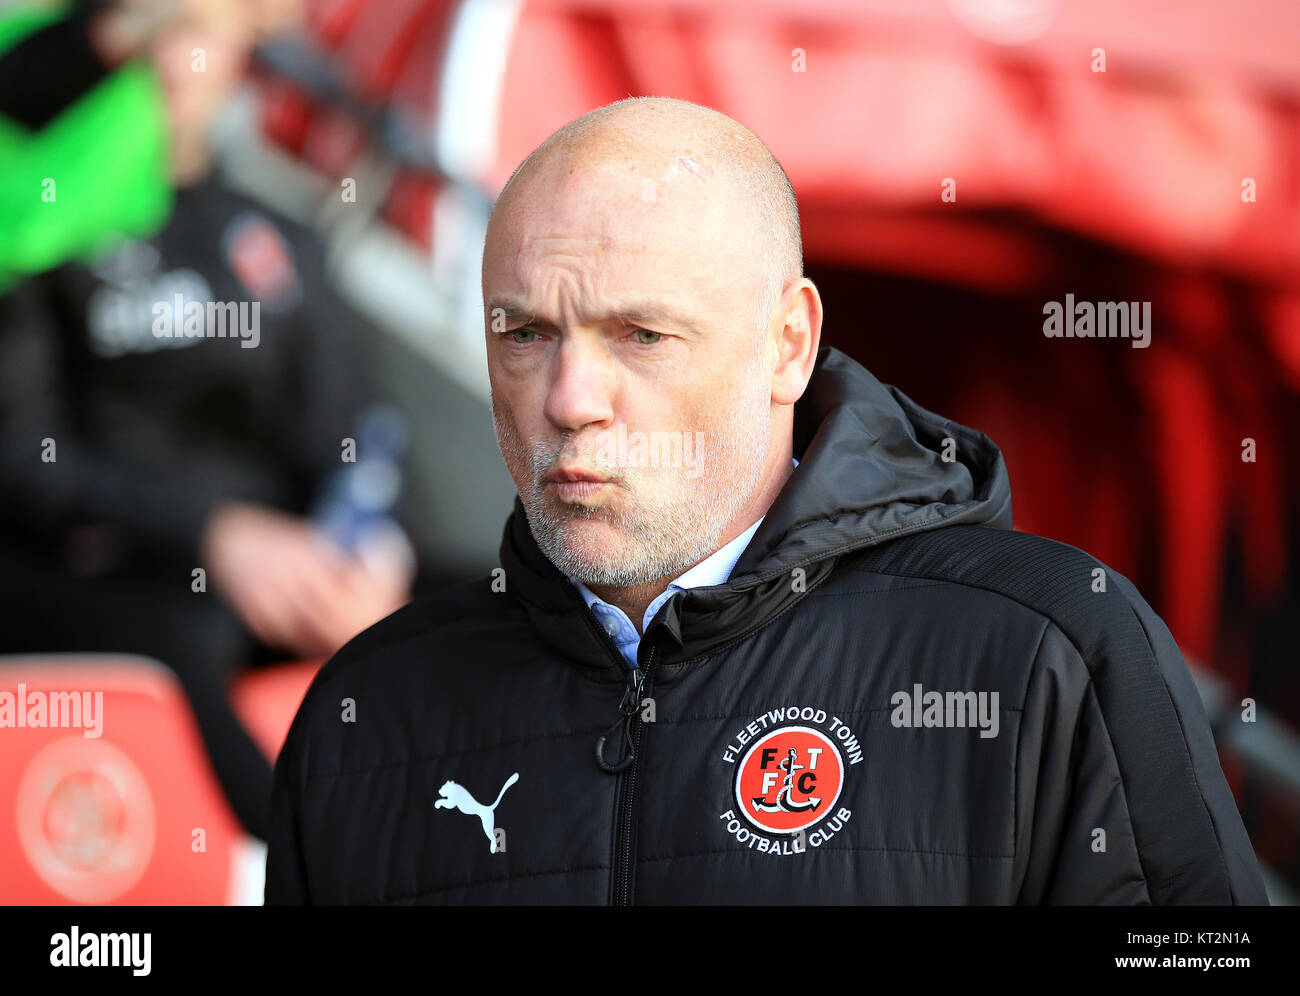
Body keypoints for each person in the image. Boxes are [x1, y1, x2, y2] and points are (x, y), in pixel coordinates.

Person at [265, 96, 1268, 904]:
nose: (568, 400)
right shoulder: (371, 715)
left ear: (788, 344)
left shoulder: (1045, 651)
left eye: (640, 336)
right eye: (524, 335)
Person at [0, 0, 410, 842]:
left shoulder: (278, 236)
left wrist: (365, 544)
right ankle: (300, 865)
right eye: (152, 37)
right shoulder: (36, 232)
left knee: (489, 594)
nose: (172, 63)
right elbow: (26, 465)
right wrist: (214, 536)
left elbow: (355, 429)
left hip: (288, 563)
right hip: (115, 563)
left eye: (200, 40)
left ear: (237, 62)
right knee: (173, 628)